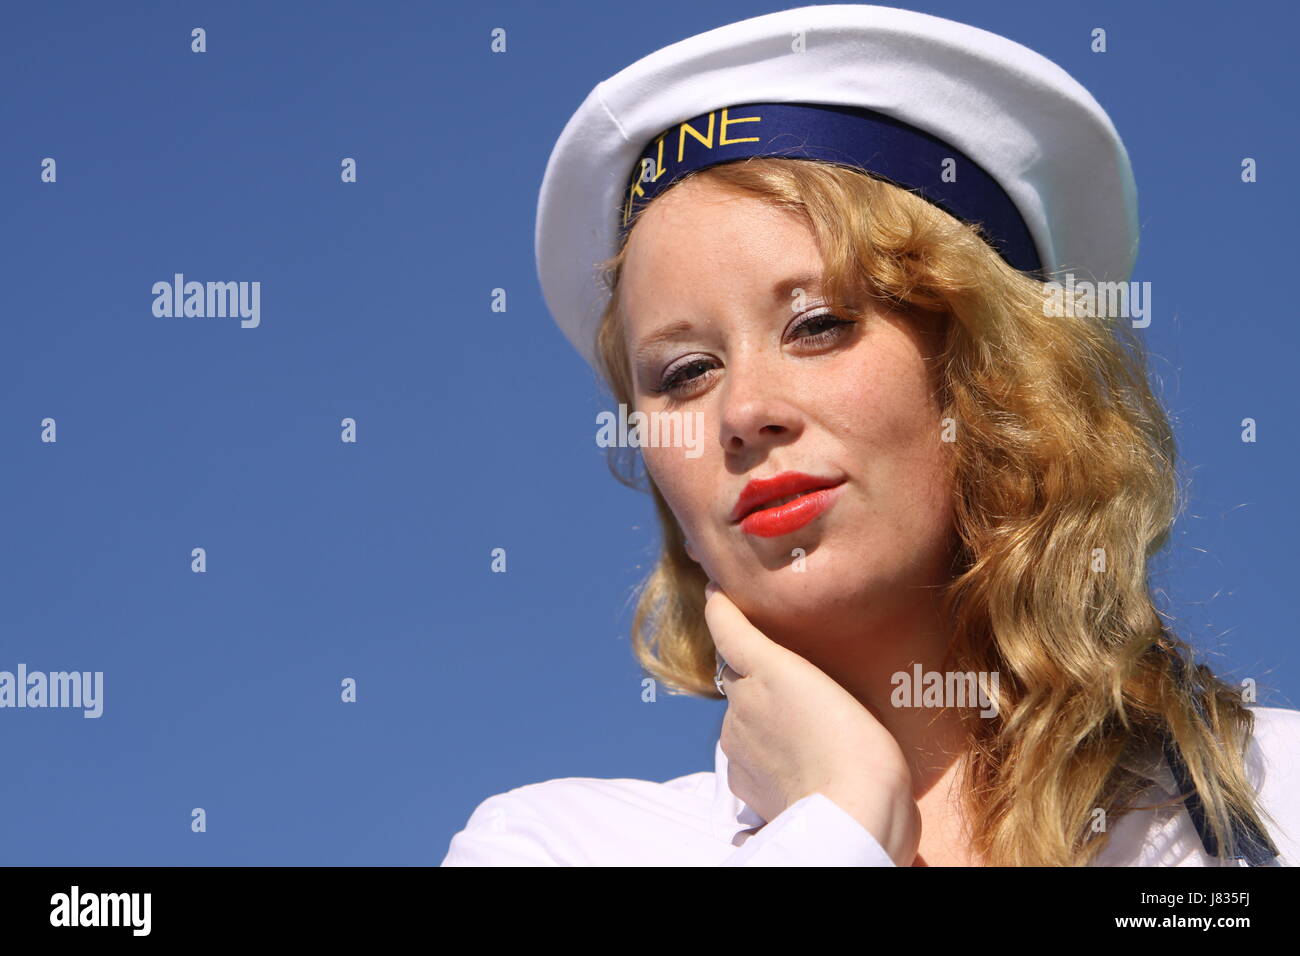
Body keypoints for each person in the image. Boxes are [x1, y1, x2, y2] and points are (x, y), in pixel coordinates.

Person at [442, 4, 1300, 866]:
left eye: (815, 325)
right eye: (684, 372)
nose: (744, 413)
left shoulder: (1276, 794)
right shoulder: (555, 845)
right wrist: (840, 820)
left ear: (995, 380)